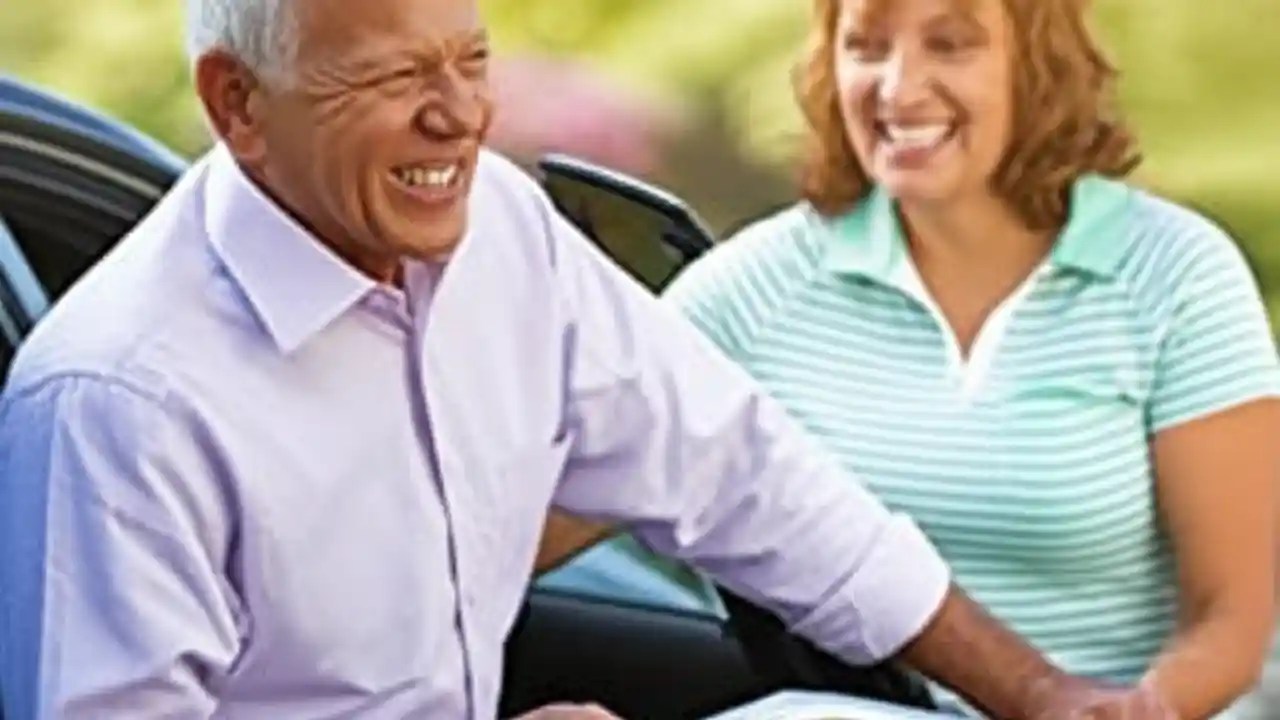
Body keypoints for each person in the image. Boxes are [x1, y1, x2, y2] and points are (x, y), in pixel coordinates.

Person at [0, 0, 1167, 718]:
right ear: (238, 105)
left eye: (467, 58)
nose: (458, 116)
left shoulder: (497, 227)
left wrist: (1037, 693)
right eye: (395, 78)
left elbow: (736, 467)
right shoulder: (120, 405)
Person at [632, 0, 1279, 716]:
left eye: (950, 45)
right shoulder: (756, 287)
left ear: (1039, 69)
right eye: (866, 47)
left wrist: (1140, 709)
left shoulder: (1176, 276)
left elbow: (1235, 621)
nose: (899, 87)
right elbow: (577, 468)